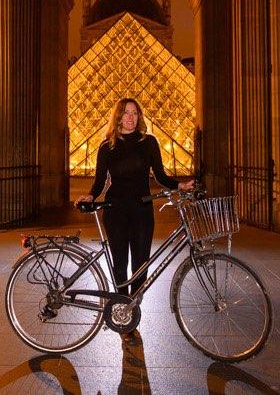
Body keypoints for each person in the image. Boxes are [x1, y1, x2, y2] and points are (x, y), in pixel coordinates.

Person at [74, 98, 194, 341]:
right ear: (118, 117)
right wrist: (90, 194)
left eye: (135, 113)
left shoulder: (149, 142)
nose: (130, 117)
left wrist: (179, 185)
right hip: (115, 210)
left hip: (142, 210)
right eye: (126, 113)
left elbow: (160, 175)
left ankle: (131, 309)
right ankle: (123, 319)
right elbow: (99, 182)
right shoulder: (106, 146)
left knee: (141, 264)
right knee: (120, 264)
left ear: (139, 117)